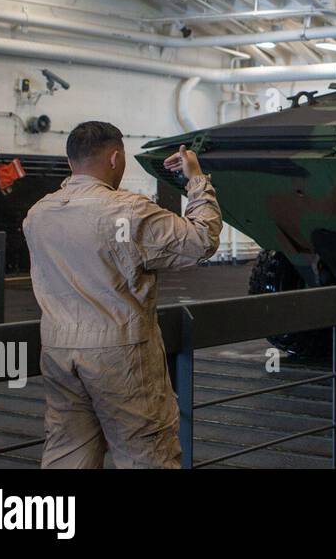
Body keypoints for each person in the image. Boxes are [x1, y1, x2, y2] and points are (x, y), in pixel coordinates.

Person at [24, 122, 222, 468]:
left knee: (67, 453)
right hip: (119, 353)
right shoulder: (128, 211)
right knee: (146, 453)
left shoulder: (38, 215)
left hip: (58, 351)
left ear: (71, 161)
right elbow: (202, 240)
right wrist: (196, 179)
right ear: (116, 157)